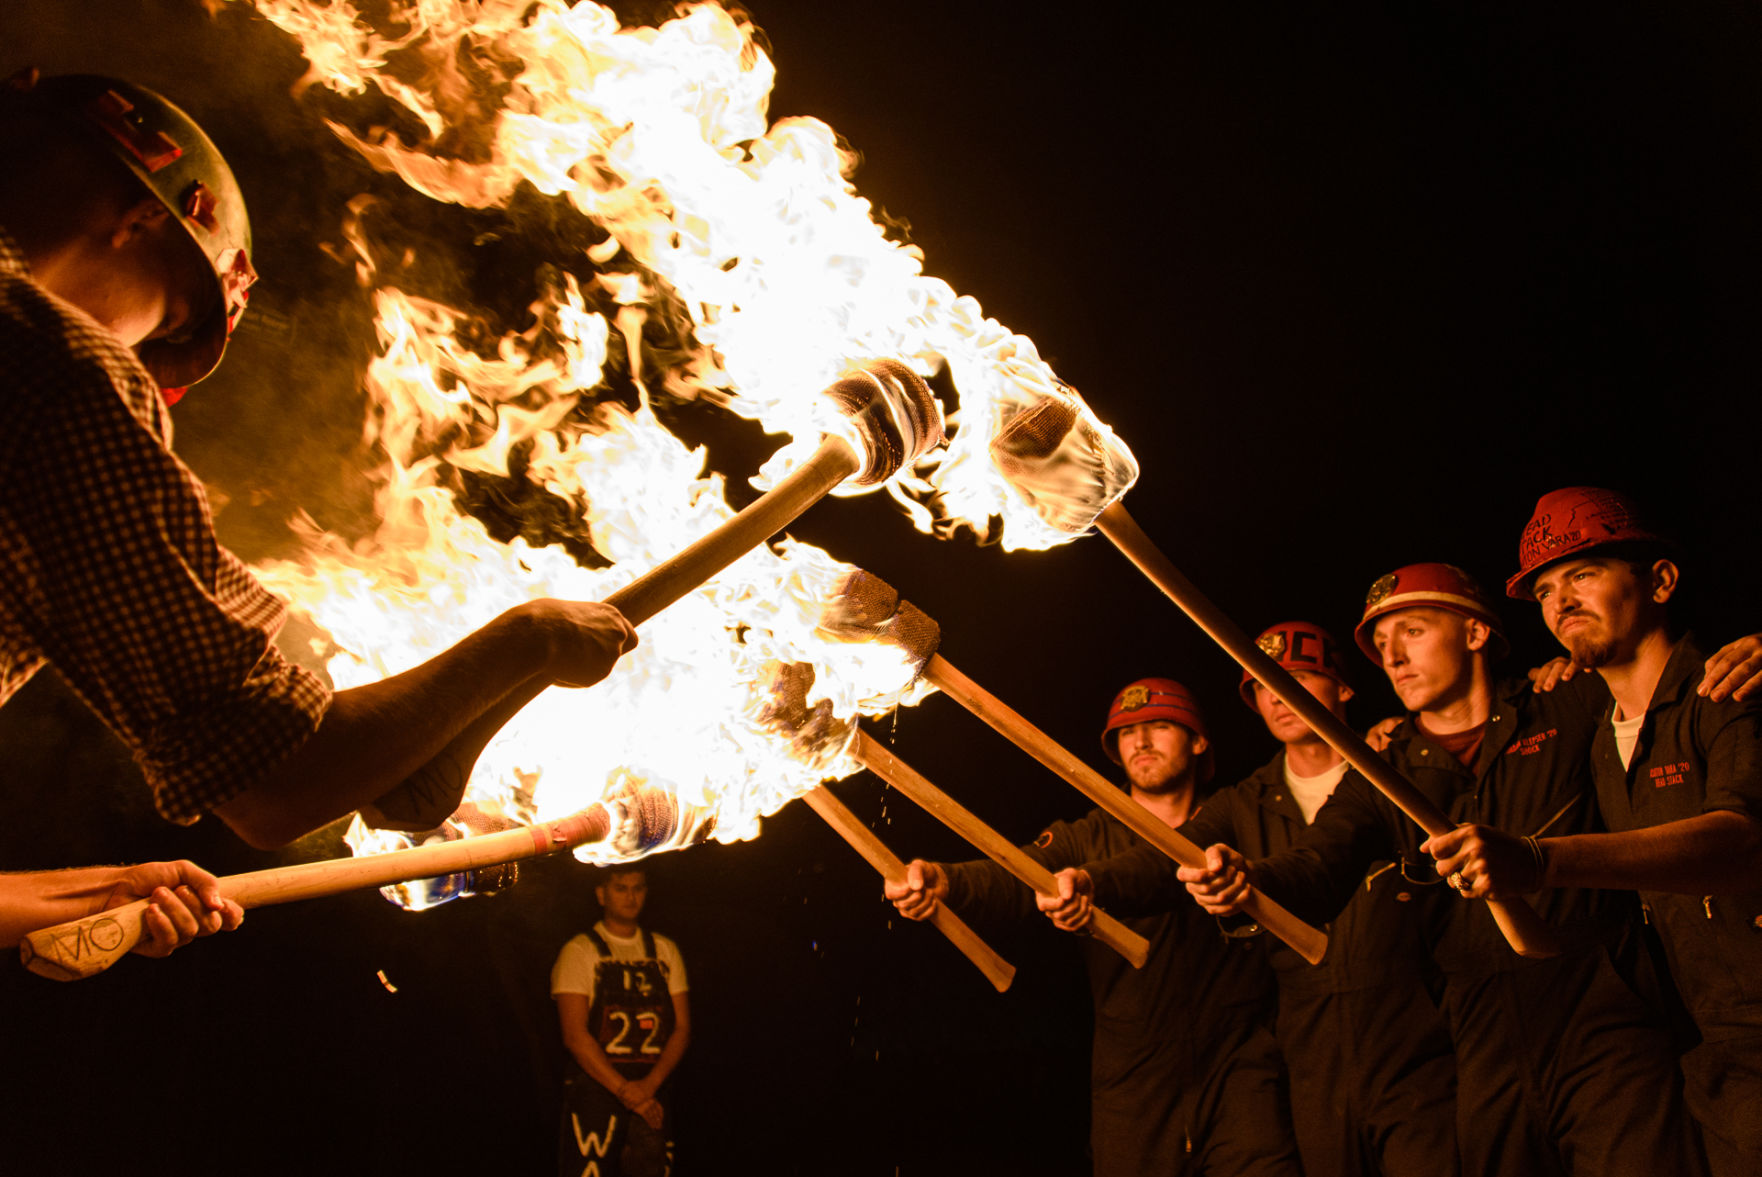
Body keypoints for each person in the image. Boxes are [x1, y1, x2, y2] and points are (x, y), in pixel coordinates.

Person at [0, 72, 635, 951]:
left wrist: (99, 891)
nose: (140, 361)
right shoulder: (55, 366)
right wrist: (527, 638)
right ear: (138, 217)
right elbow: (274, 789)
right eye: (170, 321)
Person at [1077, 565, 1706, 1177]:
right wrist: (1249, 881)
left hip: (1605, 1022)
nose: (1394, 657)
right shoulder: (1385, 771)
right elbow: (1318, 865)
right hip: (1481, 1048)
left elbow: (1662, 687)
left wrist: (1750, 652)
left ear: (1476, 632)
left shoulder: (1564, 706)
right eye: (1381, 645)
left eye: (1412, 632)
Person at [1426, 486, 1762, 1174]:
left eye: (1583, 573)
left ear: (1660, 580)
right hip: (1713, 1058)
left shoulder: (1730, 689)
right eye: (1545, 588)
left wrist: (1540, 860)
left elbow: (1743, 844)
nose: (1560, 601)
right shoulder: (1604, 741)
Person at [1061, 623, 1458, 1176]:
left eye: (1295, 678)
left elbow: (1324, 861)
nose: (1279, 695)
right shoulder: (1245, 803)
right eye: (1264, 687)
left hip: (1414, 1038)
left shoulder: (1395, 771)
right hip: (1310, 1054)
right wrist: (1091, 881)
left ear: (1344, 688)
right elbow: (1170, 857)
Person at [886, 679, 1302, 1176]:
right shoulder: (1086, 837)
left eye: (1160, 726)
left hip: (1242, 1066)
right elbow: (1013, 876)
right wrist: (945, 880)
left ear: (1198, 741)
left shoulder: (1239, 818)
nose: (1141, 742)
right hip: (1134, 1082)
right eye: (1127, 733)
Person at [552, 865, 690, 1177]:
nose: (631, 896)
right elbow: (574, 1035)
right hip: (597, 1091)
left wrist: (648, 1088)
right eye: (621, 888)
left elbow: (681, 1029)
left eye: (638, 888)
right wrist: (625, 1091)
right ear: (601, 894)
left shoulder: (664, 951)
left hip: (653, 1090)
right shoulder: (580, 951)